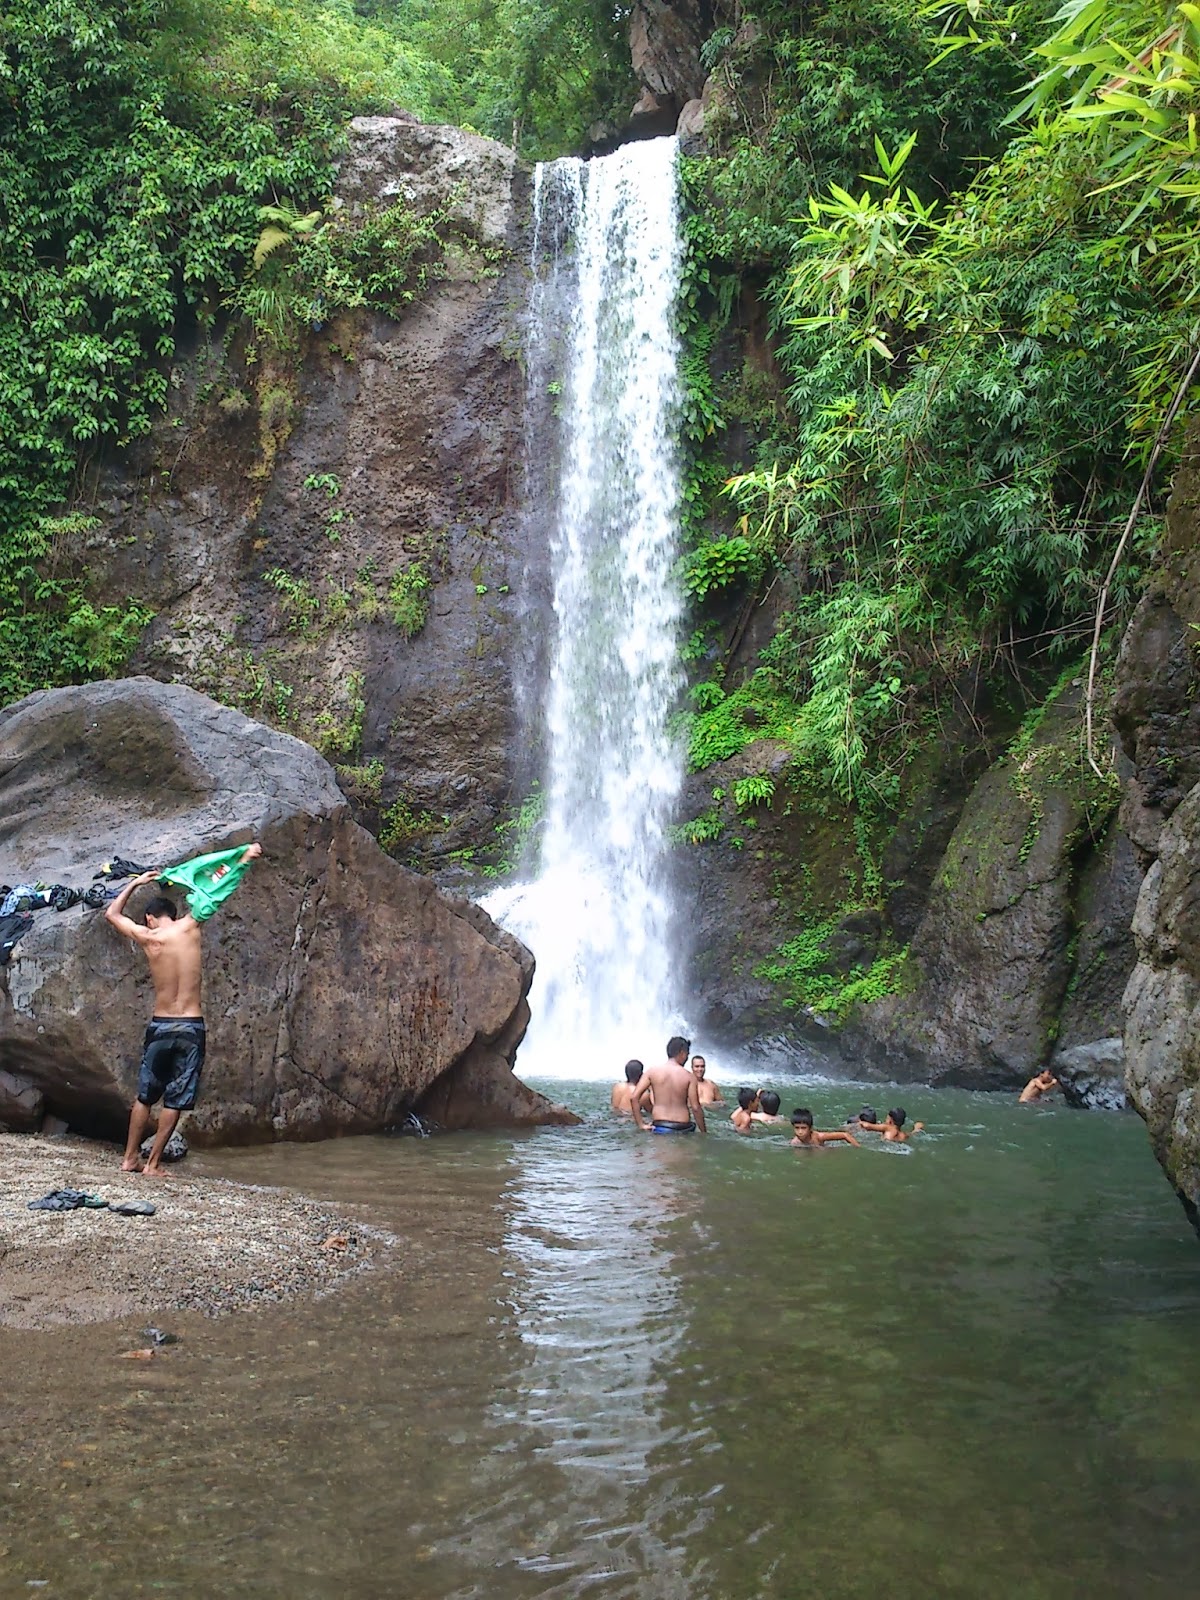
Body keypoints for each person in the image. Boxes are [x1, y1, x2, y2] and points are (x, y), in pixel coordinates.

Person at [105, 844, 263, 1174]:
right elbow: (218, 889)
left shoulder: (148, 938)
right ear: (172, 914)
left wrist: (135, 883)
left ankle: (129, 1158)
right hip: (191, 1026)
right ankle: (152, 1164)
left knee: (145, 1096)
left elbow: (112, 915)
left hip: (160, 1025)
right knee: (176, 1097)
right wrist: (244, 858)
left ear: (150, 917)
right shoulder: (191, 927)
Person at [631, 1037, 706, 1135]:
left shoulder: (652, 1072)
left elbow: (634, 1098)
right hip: (682, 1127)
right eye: (687, 1055)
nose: (687, 1058)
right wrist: (704, 1132)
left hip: (659, 1126)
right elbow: (695, 1108)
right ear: (682, 1053)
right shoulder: (689, 1077)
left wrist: (641, 1124)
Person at [790, 1109, 860, 1149]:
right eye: (797, 1128)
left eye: (803, 1128)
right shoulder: (795, 1142)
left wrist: (858, 1147)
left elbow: (845, 1135)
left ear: (810, 1128)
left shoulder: (819, 1136)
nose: (800, 1132)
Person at [859, 1107, 924, 1143]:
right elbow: (912, 1133)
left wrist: (860, 1122)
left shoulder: (888, 1128)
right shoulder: (903, 1135)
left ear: (890, 1120)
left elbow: (867, 1126)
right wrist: (916, 1129)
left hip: (886, 1146)